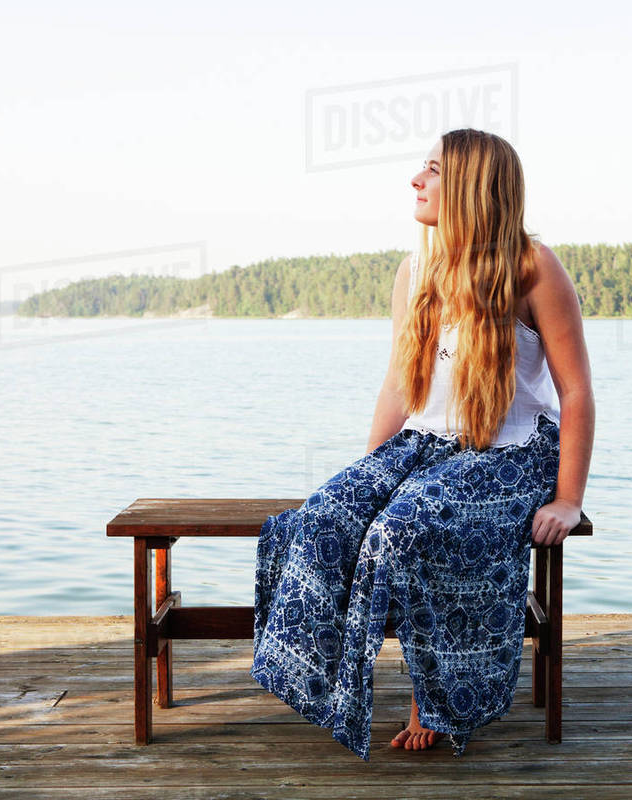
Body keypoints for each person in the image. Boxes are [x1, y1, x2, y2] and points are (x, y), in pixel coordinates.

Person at [252, 128, 595, 761]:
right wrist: (370, 470)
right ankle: (325, 684)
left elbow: (575, 392)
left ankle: (433, 699)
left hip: (507, 455)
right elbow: (396, 384)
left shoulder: (532, 267)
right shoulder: (415, 271)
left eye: (433, 170)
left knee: (402, 531)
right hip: (420, 445)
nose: (416, 179)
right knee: (326, 517)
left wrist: (568, 500)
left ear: (470, 185)